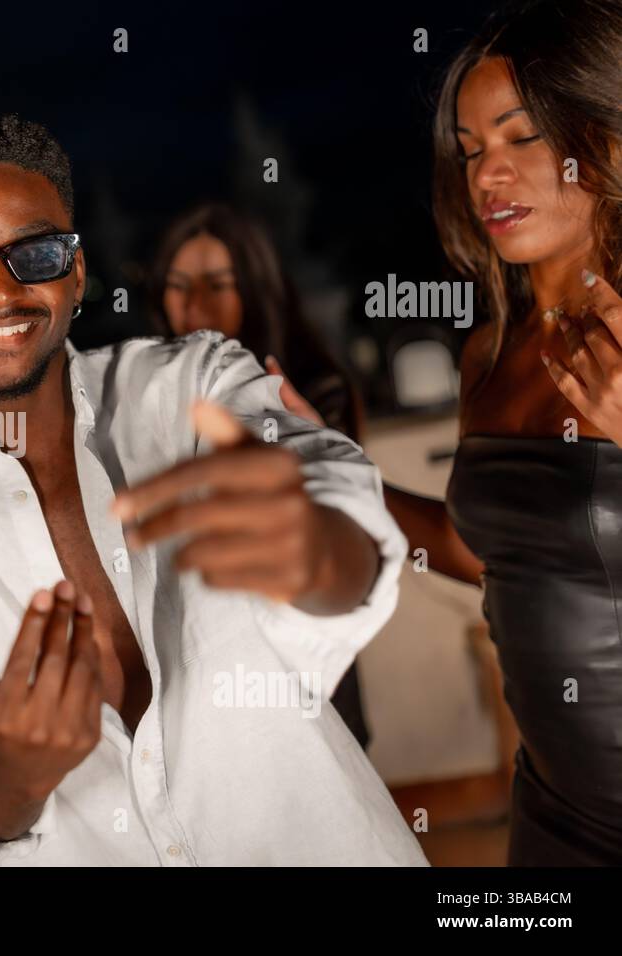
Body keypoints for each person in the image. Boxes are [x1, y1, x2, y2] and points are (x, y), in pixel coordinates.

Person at [0, 114, 426, 865]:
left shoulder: (191, 385)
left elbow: (340, 508)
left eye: (34, 254)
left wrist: (316, 546)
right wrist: (18, 772)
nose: (0, 291)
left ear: (75, 274)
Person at [273, 0, 622, 866]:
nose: (488, 176)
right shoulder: (489, 355)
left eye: (520, 138)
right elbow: (481, 557)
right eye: (471, 152)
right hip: (555, 809)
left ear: (603, 140)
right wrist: (330, 469)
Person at [147, 202, 371, 749]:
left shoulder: (311, 391)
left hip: (303, 669)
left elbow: (348, 526)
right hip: (201, 683)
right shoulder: (149, 397)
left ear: (256, 287)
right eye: (178, 285)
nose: (194, 303)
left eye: (216, 283)